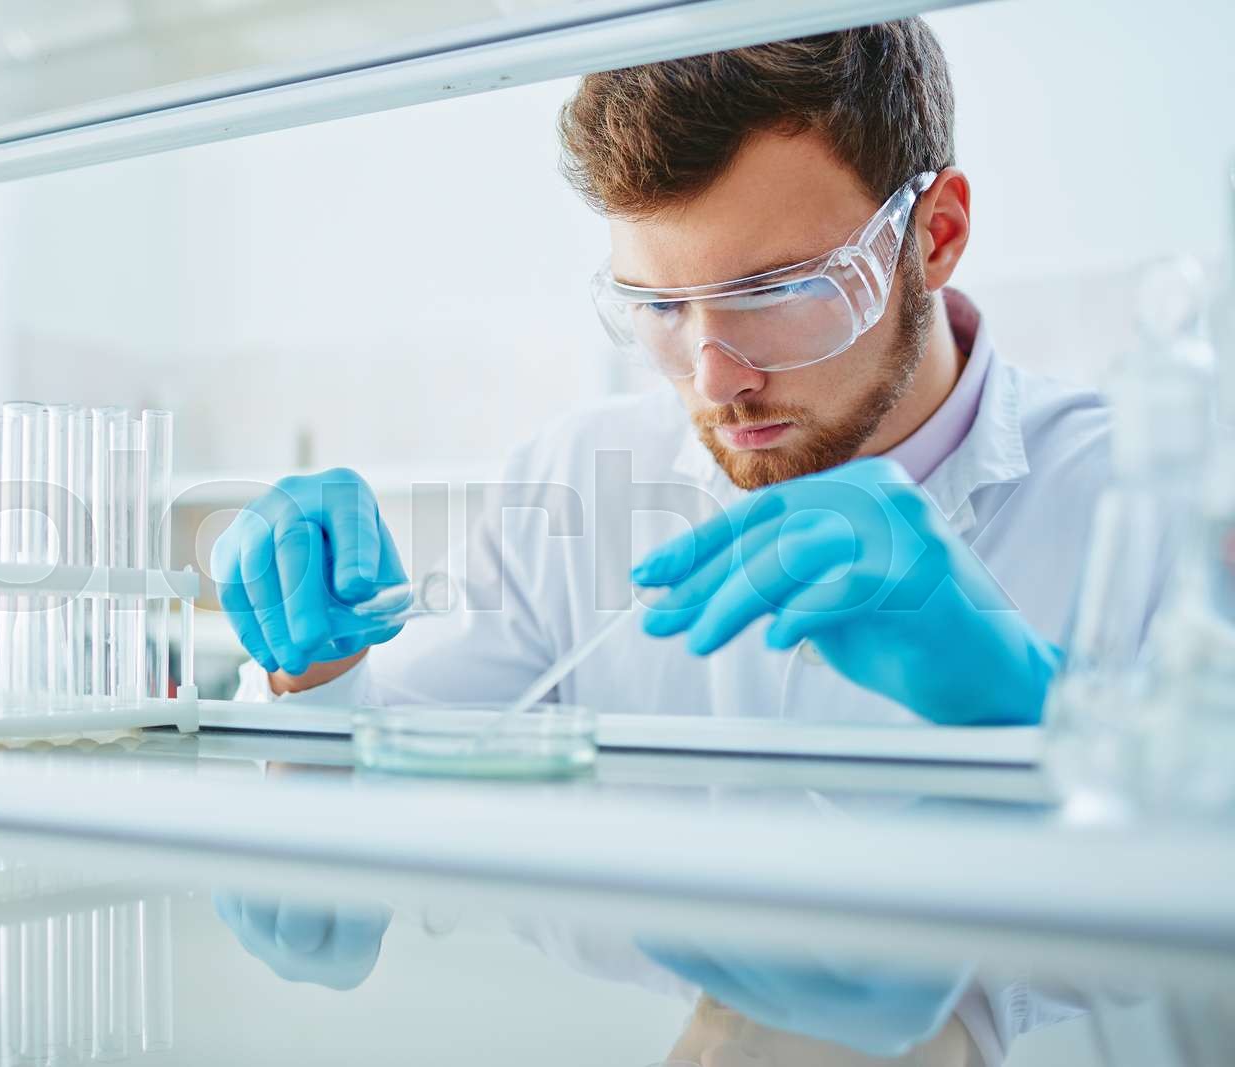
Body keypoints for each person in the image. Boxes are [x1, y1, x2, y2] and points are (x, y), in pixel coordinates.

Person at [213, 18, 1110, 1060]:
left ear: (936, 235)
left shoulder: (1130, 492)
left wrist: (1038, 725)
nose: (716, 377)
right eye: (660, 305)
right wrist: (316, 675)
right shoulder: (578, 480)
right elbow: (347, 866)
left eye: (776, 291)